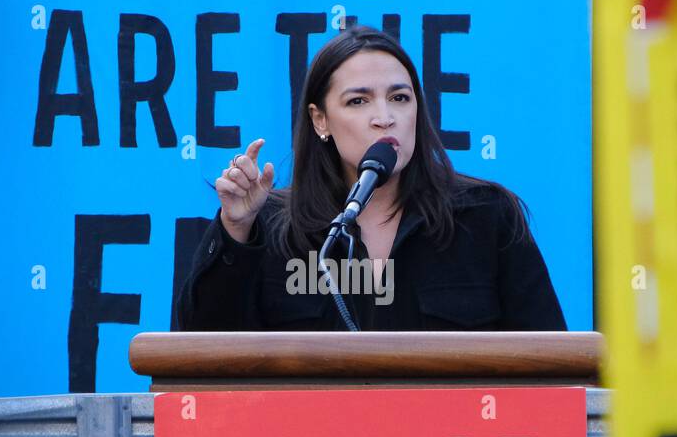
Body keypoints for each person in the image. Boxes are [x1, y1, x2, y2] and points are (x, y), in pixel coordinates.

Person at [175, 26, 567, 332]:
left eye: (399, 97)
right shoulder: (272, 225)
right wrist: (236, 229)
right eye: (358, 101)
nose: (385, 117)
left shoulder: (484, 217)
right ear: (320, 120)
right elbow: (203, 360)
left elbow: (549, 368)